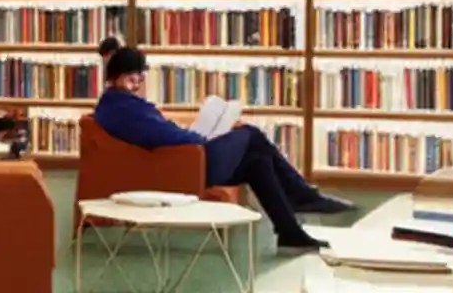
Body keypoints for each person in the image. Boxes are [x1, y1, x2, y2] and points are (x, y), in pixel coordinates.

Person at [94, 48, 351, 251]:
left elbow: (158, 133)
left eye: (139, 79)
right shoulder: (123, 108)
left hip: (184, 159)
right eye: (130, 80)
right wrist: (198, 136)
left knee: (257, 161)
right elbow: (161, 134)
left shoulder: (118, 104)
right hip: (188, 165)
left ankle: (289, 232)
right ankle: (301, 195)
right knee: (250, 133)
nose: (136, 85)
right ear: (114, 78)